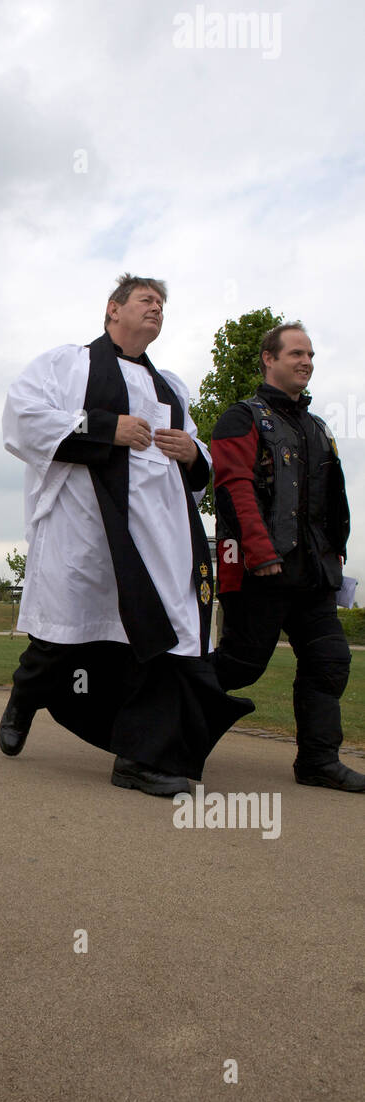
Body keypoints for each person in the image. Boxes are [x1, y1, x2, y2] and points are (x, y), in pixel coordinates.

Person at [0, 273, 253, 796]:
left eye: (162, 304)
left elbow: (197, 461)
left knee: (160, 641)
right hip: (86, 526)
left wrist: (194, 453)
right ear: (112, 309)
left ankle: (139, 758)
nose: (157, 309)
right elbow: (21, 421)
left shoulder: (173, 386)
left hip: (159, 538)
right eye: (146, 300)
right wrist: (103, 427)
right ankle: (26, 695)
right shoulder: (66, 365)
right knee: (63, 639)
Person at [211, 322, 363, 793]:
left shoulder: (318, 427)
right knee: (240, 666)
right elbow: (233, 490)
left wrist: (336, 557)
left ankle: (317, 761)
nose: (306, 362)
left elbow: (332, 501)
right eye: (296, 353)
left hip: (314, 574)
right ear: (268, 359)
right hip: (261, 571)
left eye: (311, 355)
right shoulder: (241, 418)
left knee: (331, 660)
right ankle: (159, 725)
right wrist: (260, 553)